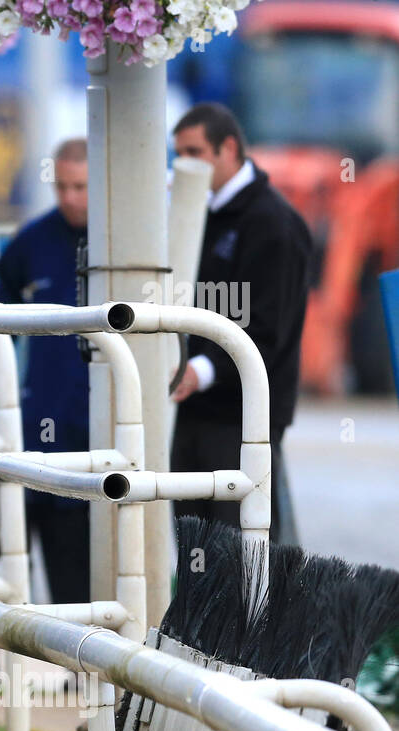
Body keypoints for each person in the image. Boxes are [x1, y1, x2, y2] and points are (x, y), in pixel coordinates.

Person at [169, 103, 311, 543]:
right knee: (196, 549)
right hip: (190, 410)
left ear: (228, 148)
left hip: (245, 418)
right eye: (179, 154)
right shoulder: (194, 214)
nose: (184, 164)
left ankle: (262, 616)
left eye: (194, 151)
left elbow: (269, 332)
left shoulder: (274, 224)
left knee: (245, 549)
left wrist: (200, 370)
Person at [0, 137, 91, 606]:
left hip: (115, 428)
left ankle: (122, 672)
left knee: (122, 550)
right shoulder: (35, 240)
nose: (69, 197)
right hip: (46, 426)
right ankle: (75, 666)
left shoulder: (134, 236)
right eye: (62, 186)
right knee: (55, 550)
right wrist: (0, 383)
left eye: (81, 187)